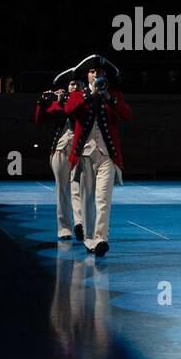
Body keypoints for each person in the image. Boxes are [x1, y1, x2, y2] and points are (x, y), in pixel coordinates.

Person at [65, 54, 131, 257]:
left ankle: (101, 238)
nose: (96, 75)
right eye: (93, 72)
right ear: (87, 75)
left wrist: (109, 98)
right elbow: (68, 110)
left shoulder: (113, 94)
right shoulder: (79, 94)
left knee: (103, 199)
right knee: (87, 199)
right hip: (84, 155)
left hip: (107, 156)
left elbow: (127, 115)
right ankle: (89, 237)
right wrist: (88, 95)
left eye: (99, 72)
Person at [36, 66, 81, 242]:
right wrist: (43, 101)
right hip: (60, 149)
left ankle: (80, 224)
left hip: (80, 150)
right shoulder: (59, 102)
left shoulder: (83, 101)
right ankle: (64, 228)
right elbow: (40, 119)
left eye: (77, 84)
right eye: (71, 85)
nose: (74, 87)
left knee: (79, 189)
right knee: (62, 190)